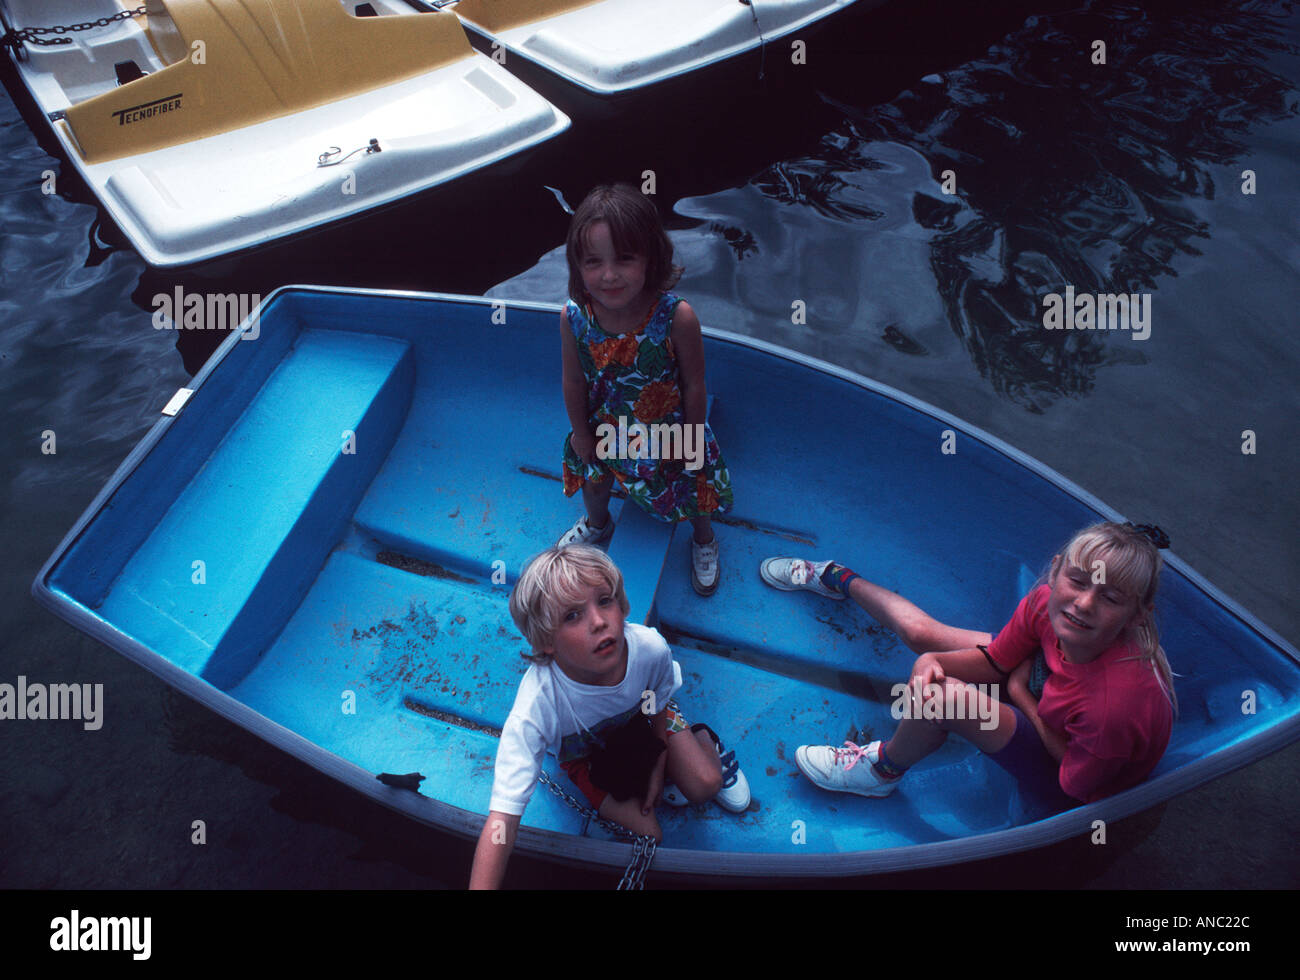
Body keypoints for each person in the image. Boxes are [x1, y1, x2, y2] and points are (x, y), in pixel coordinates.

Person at [760, 522, 1176, 808]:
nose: (1084, 604)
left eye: (1111, 598)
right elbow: (999, 662)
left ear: (1138, 615)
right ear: (1055, 571)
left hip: (1065, 772)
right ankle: (838, 577)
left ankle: (882, 772)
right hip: (1043, 680)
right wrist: (931, 660)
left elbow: (1074, 784)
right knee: (923, 638)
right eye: (1079, 582)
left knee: (945, 701)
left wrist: (1018, 696)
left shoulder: (1114, 707)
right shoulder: (1050, 604)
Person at [469, 545, 749, 889]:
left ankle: (704, 739)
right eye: (572, 616)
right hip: (584, 756)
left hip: (645, 715)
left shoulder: (649, 648)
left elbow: (656, 701)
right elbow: (502, 821)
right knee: (651, 831)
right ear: (546, 642)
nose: (599, 621)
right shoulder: (536, 707)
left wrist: (658, 764)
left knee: (705, 784)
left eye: (604, 601)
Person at [557, 182, 733, 596]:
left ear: (651, 257)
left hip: (666, 428)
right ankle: (599, 524)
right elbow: (573, 379)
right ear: (577, 266)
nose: (609, 275)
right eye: (593, 262)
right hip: (606, 425)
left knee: (693, 486)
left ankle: (704, 538)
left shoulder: (676, 317)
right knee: (595, 479)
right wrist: (582, 433)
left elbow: (693, 383)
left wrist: (692, 439)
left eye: (625, 258)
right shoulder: (574, 317)